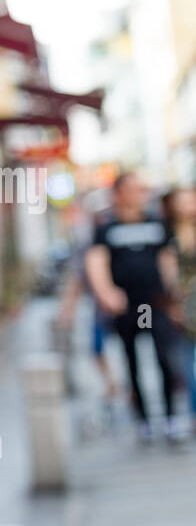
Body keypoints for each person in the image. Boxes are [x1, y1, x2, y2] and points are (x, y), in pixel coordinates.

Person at [85, 171, 186, 444]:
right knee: (133, 362)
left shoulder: (157, 223)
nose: (137, 194)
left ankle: (170, 419)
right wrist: (107, 294)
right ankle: (143, 421)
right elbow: (96, 262)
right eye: (131, 189)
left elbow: (168, 260)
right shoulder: (107, 228)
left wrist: (173, 295)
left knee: (165, 358)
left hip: (155, 303)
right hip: (127, 306)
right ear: (118, 193)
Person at [56, 192, 120, 417]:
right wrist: (67, 310)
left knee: (130, 346)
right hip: (100, 308)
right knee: (97, 347)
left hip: (125, 304)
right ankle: (112, 383)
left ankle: (127, 386)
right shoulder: (86, 244)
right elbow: (76, 278)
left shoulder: (117, 236)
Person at [160, 185, 196, 430]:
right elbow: (168, 275)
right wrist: (173, 305)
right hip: (186, 308)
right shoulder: (169, 235)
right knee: (187, 364)